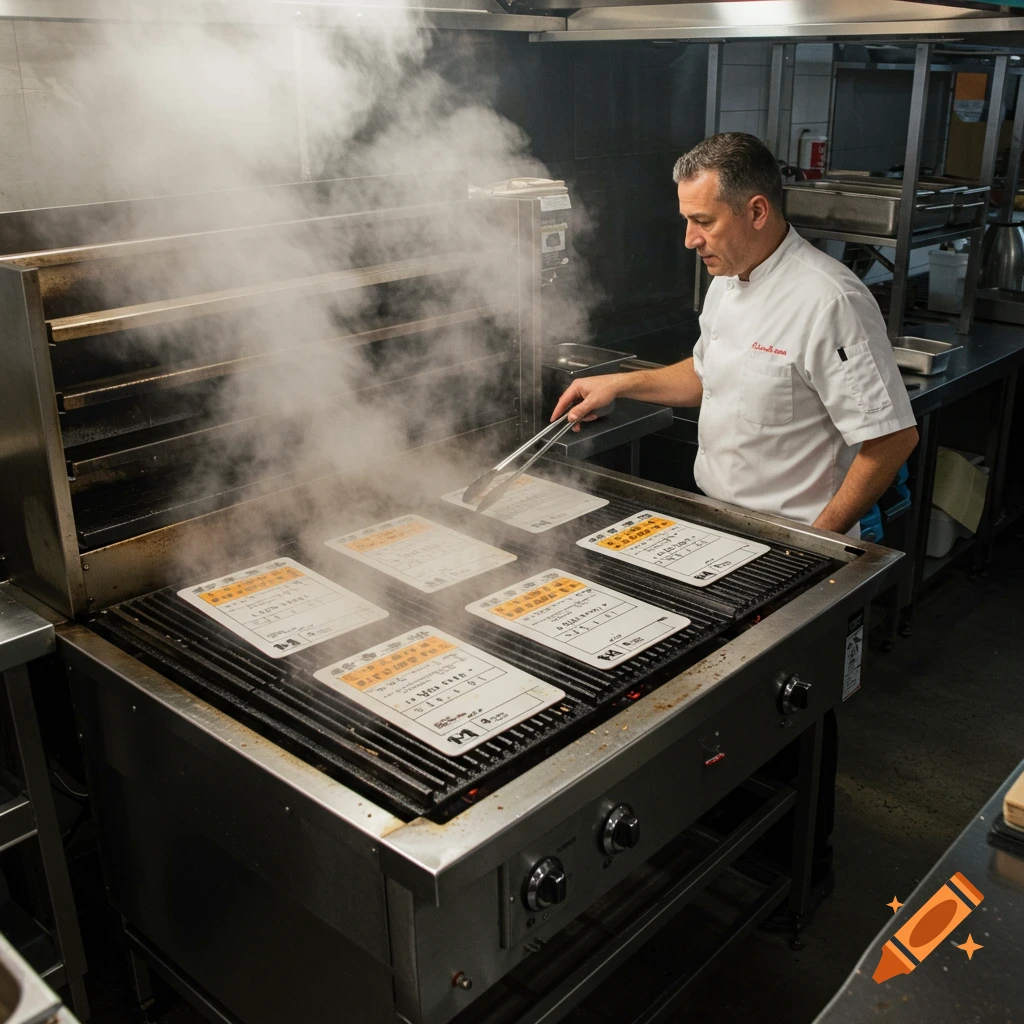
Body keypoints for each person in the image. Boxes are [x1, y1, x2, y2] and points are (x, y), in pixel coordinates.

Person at [551, 132, 920, 924]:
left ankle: (800, 876)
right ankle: (726, 848)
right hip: (715, 534)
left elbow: (889, 439)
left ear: (756, 210)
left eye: (702, 222)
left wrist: (820, 544)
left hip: (796, 548)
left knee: (794, 723)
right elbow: (706, 373)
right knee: (718, 718)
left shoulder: (830, 299)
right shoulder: (728, 282)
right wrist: (622, 383)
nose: (689, 240)